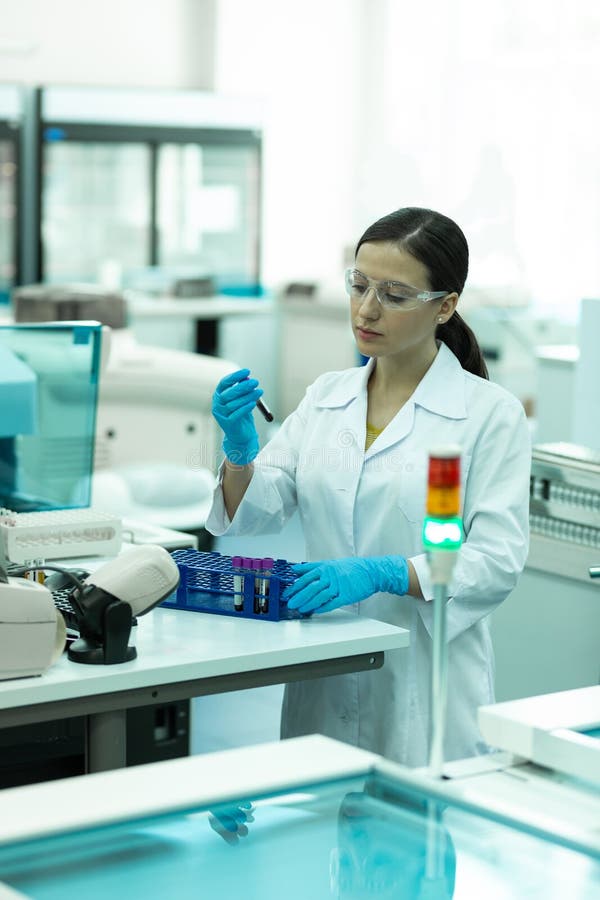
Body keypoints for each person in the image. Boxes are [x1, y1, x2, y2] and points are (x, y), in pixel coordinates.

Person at [207, 206, 530, 767]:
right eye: (358, 285)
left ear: (445, 306)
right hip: (325, 671)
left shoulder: (487, 414)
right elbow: (261, 508)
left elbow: (495, 559)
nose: (366, 309)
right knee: (319, 831)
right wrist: (240, 452)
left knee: (418, 842)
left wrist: (386, 572)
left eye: (395, 295)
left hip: (424, 687)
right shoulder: (328, 395)